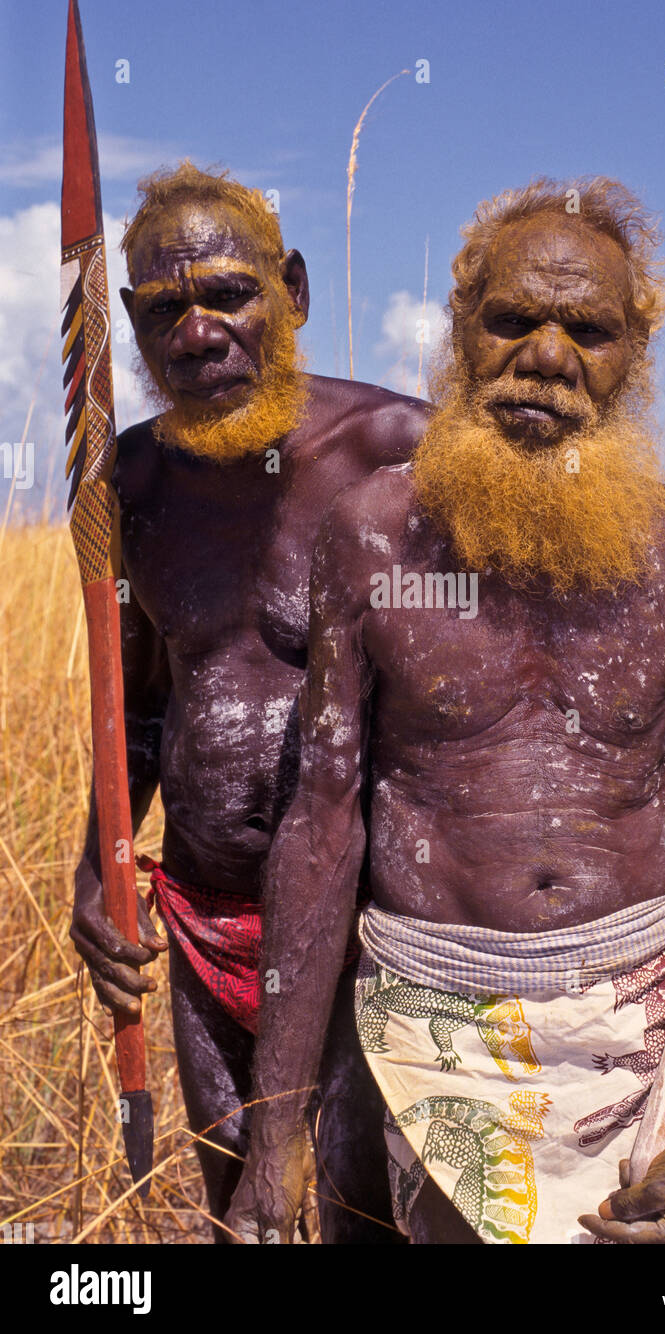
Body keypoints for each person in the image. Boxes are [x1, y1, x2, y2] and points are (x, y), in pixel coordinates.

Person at [227, 177, 665, 1244]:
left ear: (634, 357)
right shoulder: (373, 535)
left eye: (590, 331)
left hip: (643, 1019)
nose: (549, 356)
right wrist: (276, 1130)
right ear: (461, 328)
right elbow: (321, 823)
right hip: (432, 1024)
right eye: (513, 319)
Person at [69, 161, 428, 1241]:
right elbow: (130, 706)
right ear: (132, 326)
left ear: (296, 291)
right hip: (200, 912)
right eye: (165, 309)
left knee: (361, 1211)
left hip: (368, 929)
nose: (199, 332)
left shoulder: (403, 455)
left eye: (228, 292)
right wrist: (102, 866)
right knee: (240, 1212)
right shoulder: (129, 482)